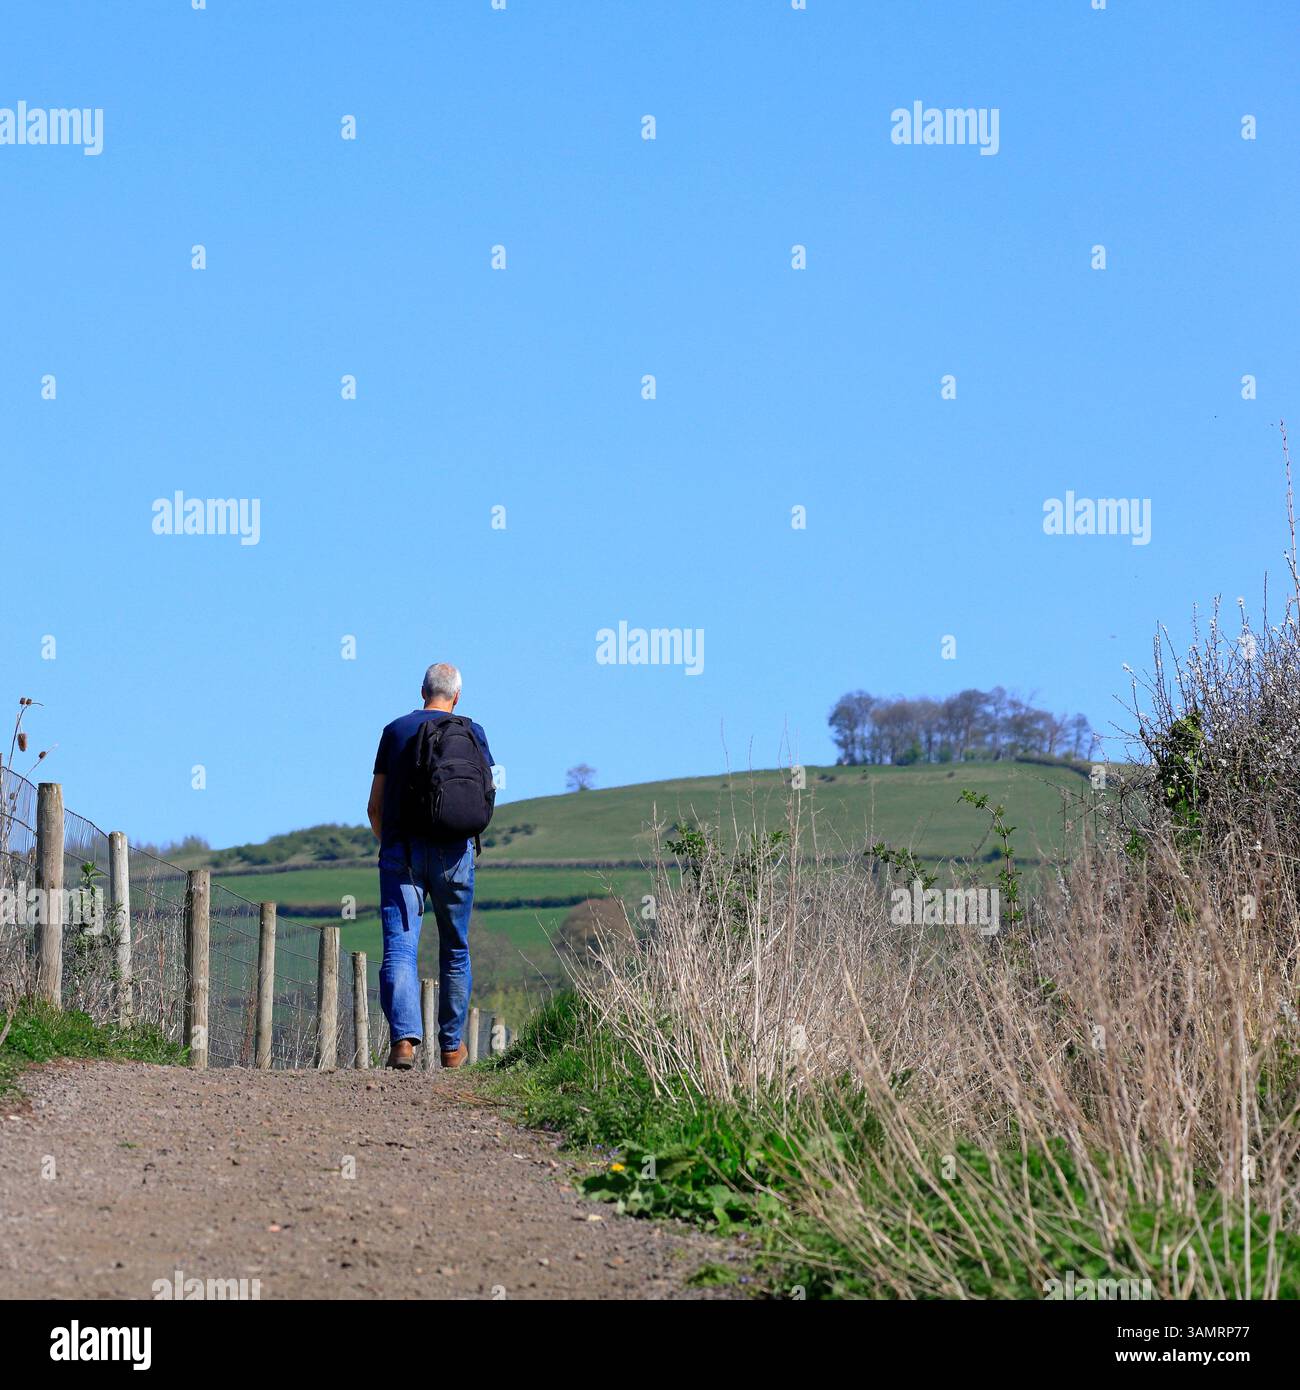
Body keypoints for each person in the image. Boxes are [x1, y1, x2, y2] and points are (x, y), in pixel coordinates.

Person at [367, 662, 494, 1070]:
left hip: (402, 853)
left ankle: (403, 1043)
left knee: (401, 950)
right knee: (455, 950)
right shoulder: (473, 733)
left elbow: (374, 806)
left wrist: (390, 845)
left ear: (422, 691)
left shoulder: (395, 731)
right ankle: (452, 1048)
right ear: (457, 696)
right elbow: (483, 798)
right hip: (456, 854)